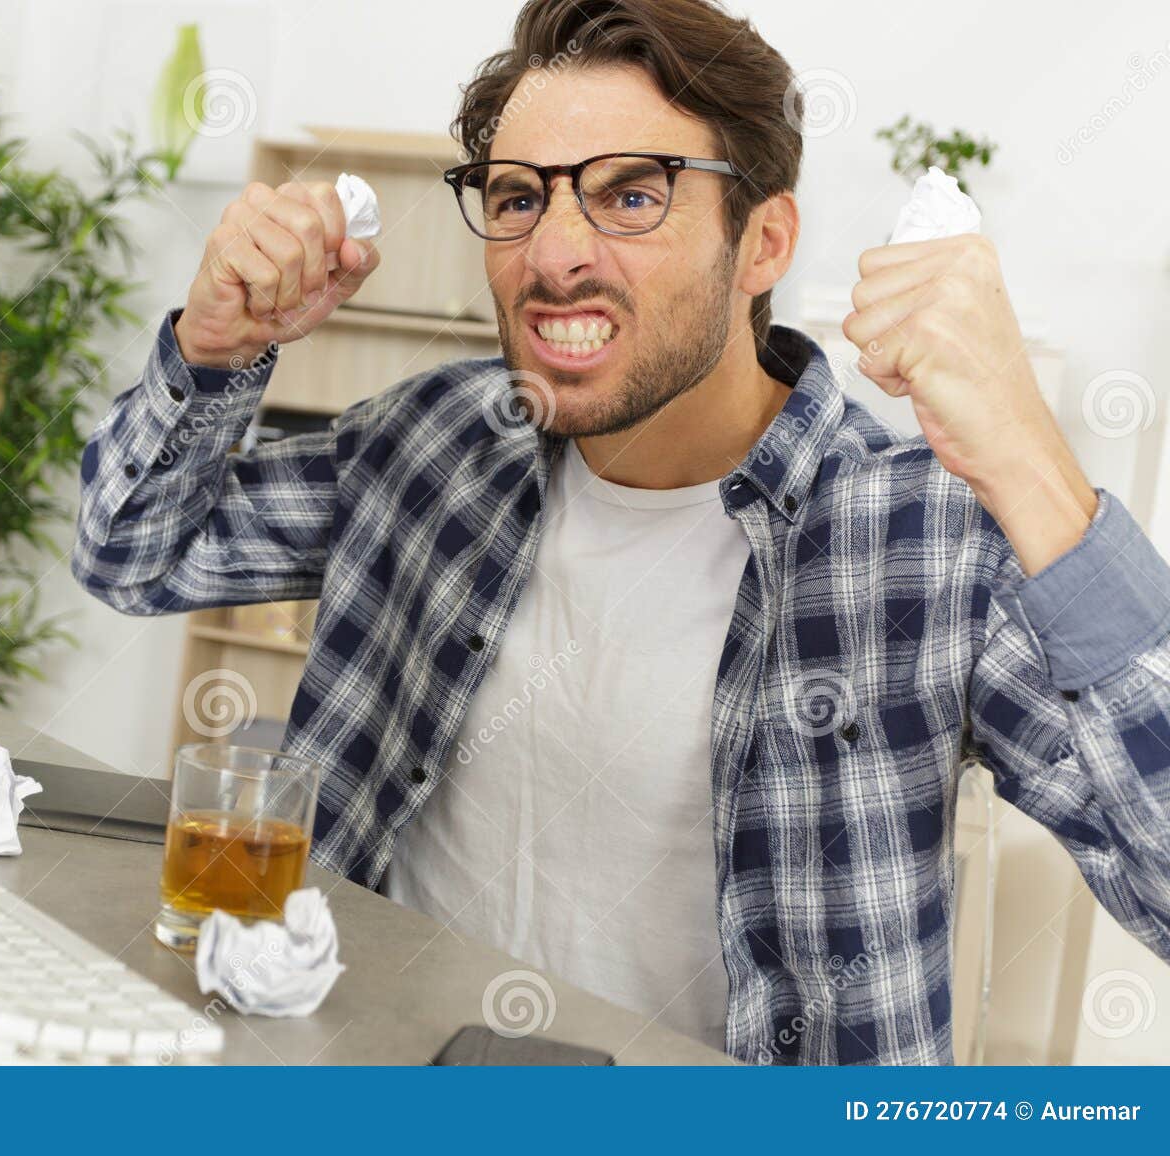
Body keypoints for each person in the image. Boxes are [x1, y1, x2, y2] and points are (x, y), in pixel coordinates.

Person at [73, 0, 1170, 1063]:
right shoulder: (438, 442)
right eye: (514, 198)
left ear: (763, 241)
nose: (553, 255)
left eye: (631, 196)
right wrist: (211, 351)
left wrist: (1029, 459)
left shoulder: (921, 530)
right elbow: (132, 552)